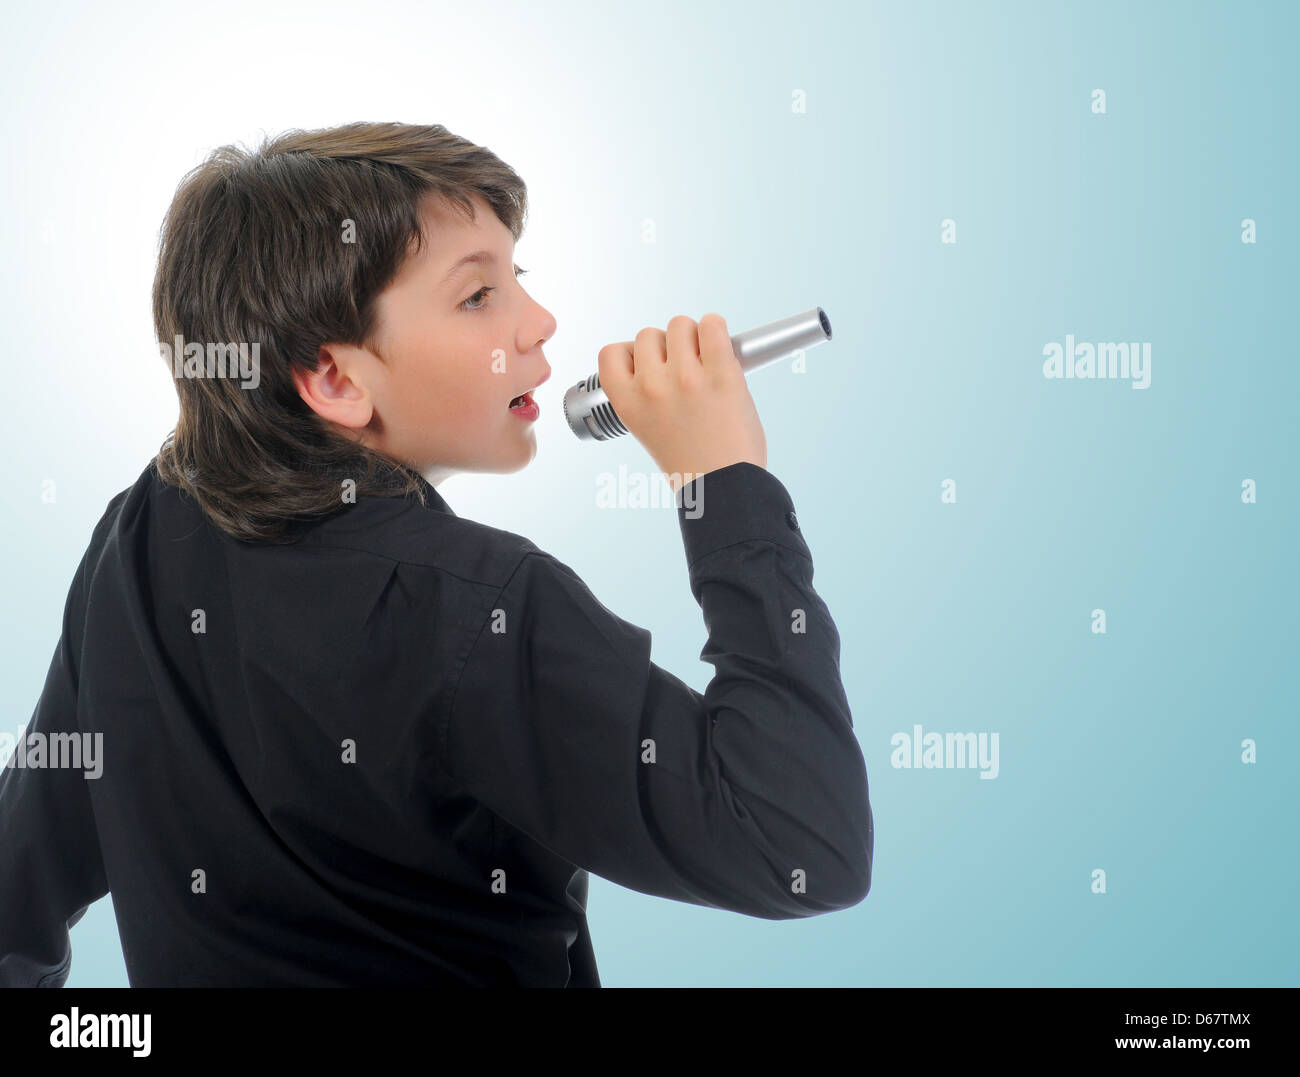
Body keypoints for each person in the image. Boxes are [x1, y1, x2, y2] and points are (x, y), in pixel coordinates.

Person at [0, 122, 873, 988]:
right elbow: (799, 840)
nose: (540, 323)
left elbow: (17, 894)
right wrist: (721, 479)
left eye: (516, 276)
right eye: (477, 297)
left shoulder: (140, 534)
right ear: (336, 379)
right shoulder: (481, 609)